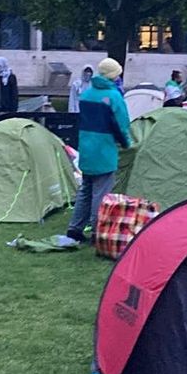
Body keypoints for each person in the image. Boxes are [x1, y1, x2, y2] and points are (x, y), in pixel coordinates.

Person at [66, 57, 131, 244]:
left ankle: (75, 228)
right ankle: (97, 232)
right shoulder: (114, 96)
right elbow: (121, 124)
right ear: (113, 76)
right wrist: (126, 143)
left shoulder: (86, 94)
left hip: (86, 148)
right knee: (101, 194)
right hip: (104, 150)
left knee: (85, 190)